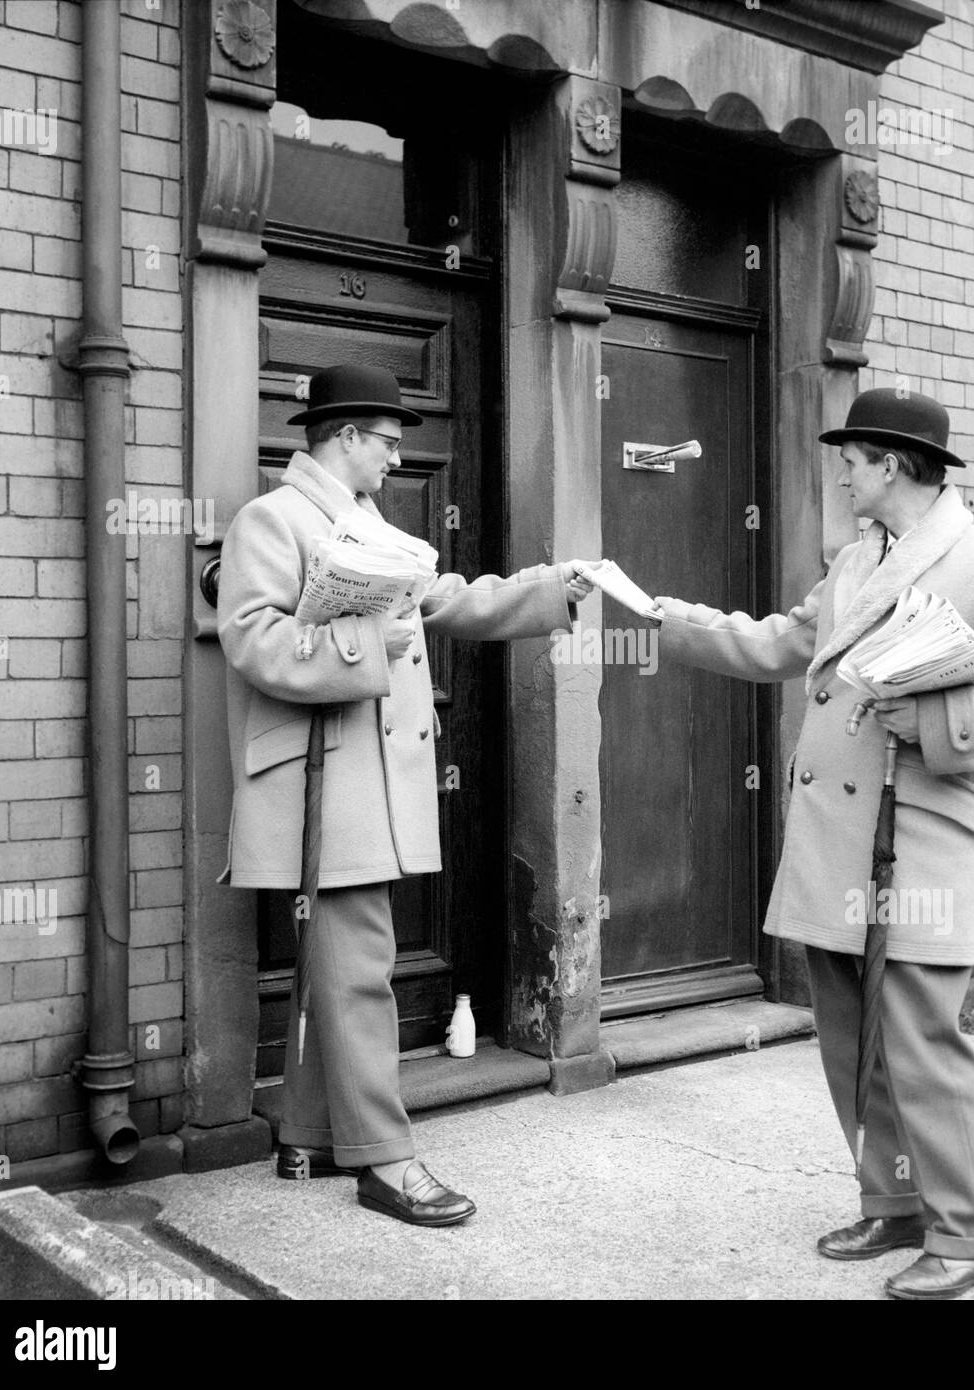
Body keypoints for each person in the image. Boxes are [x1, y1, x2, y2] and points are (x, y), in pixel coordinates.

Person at [649, 387, 974, 1298]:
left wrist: (930, 716)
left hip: (918, 843)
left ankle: (968, 1237)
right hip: (838, 844)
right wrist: (660, 620)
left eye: (851, 458)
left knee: (920, 1041)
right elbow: (780, 643)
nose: (840, 473)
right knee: (850, 1037)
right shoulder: (852, 563)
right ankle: (894, 1202)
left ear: (890, 464)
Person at [217, 364, 596, 1227]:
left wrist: (551, 589)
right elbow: (251, 640)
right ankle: (386, 1162)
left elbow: (447, 601)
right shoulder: (271, 520)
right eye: (387, 442)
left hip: (364, 783)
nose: (396, 458)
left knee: (341, 965)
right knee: (359, 973)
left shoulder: (368, 524)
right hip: (320, 783)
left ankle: (307, 1135)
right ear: (344, 437)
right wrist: (366, 640)